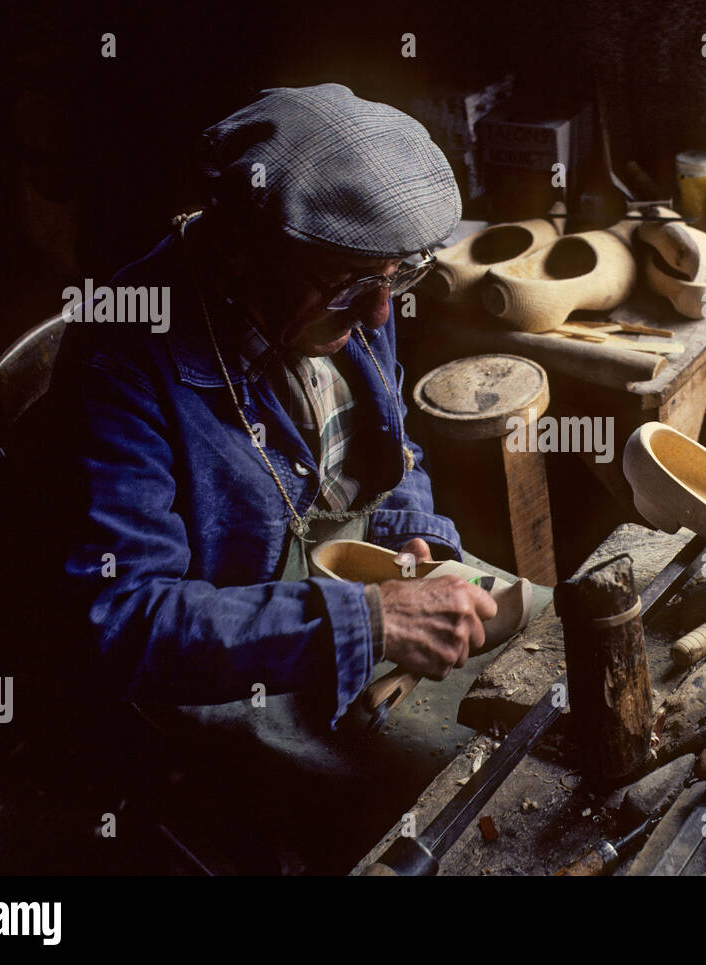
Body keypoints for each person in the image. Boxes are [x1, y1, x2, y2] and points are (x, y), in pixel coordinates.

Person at [50, 84, 496, 733]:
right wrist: (371, 620)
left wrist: (410, 538)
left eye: (398, 276)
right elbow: (123, 619)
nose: (379, 311)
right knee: (467, 776)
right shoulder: (120, 357)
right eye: (350, 282)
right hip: (236, 663)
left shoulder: (356, 290)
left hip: (361, 582)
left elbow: (392, 449)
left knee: (550, 652)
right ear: (238, 249)